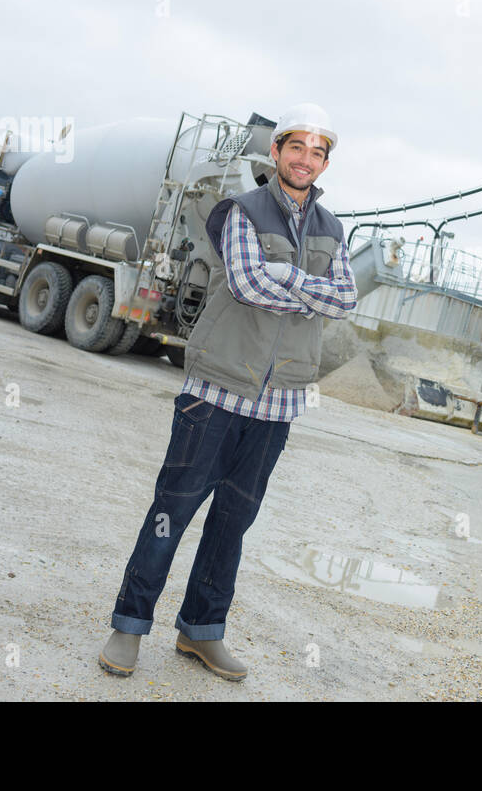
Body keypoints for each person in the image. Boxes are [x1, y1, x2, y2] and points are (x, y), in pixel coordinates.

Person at [99, 102, 358, 681]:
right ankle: (129, 625)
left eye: (318, 152)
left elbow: (346, 300)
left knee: (233, 522)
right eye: (297, 147)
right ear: (276, 152)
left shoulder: (332, 228)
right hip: (215, 392)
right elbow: (245, 283)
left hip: (279, 401)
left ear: (324, 163)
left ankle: (200, 632)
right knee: (173, 510)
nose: (306, 160)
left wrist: (286, 281)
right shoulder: (239, 209)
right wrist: (309, 286)